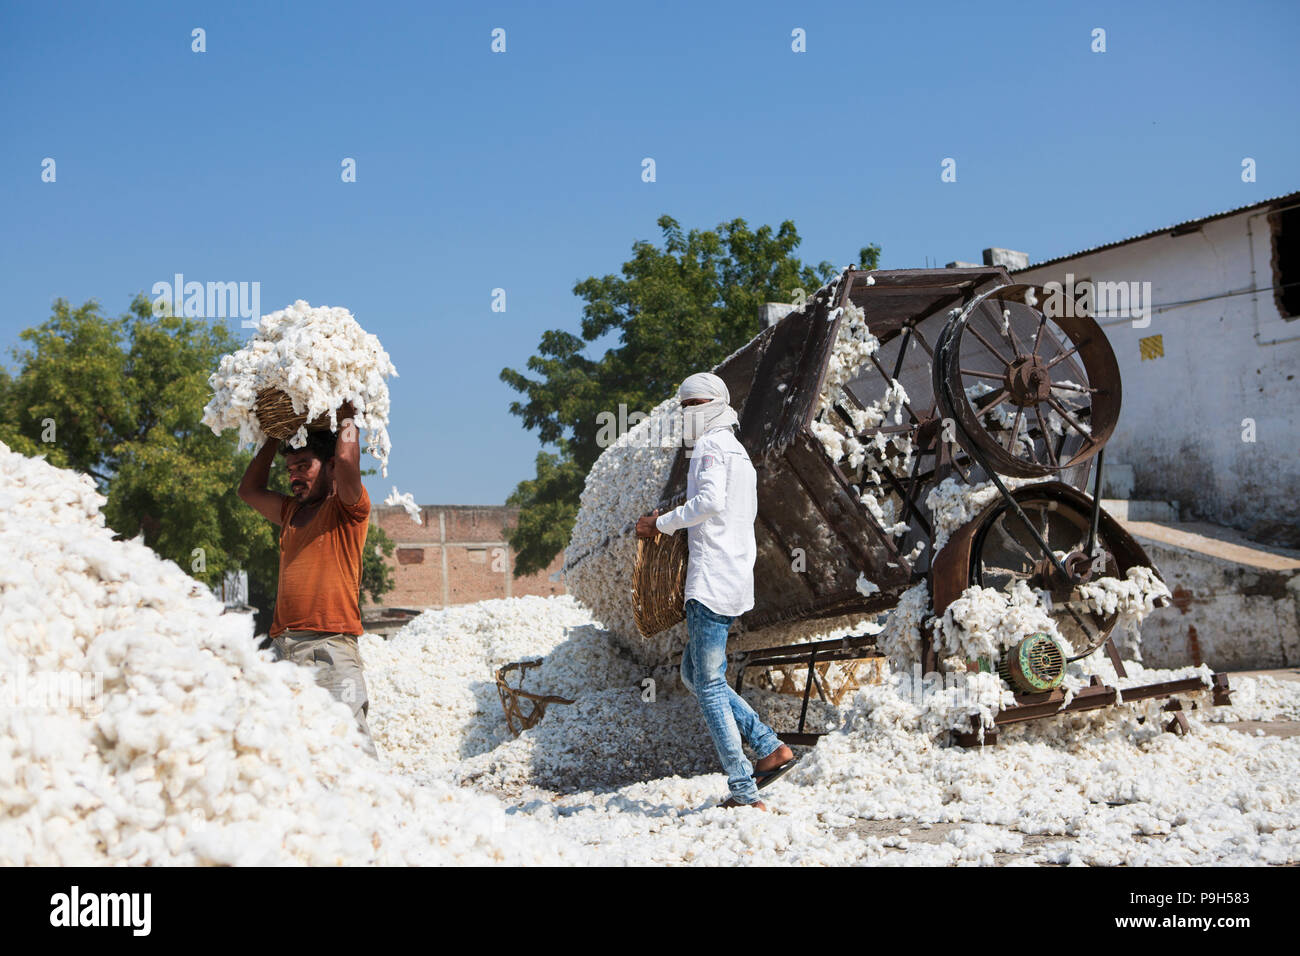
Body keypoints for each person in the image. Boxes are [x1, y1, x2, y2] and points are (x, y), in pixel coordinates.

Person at [636, 372, 794, 809]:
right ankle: (769, 746)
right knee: (695, 674)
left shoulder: (709, 446)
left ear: (718, 403)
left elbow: (709, 503)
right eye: (684, 406)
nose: (689, 413)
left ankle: (744, 790)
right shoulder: (740, 453)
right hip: (735, 576)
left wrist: (659, 524)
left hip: (709, 580)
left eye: (696, 404)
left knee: (707, 684)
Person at [237, 402, 376, 754]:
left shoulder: (347, 509)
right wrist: (273, 436)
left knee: (349, 748)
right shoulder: (290, 513)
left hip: (329, 649)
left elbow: (347, 461)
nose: (294, 476)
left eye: (304, 466)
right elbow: (248, 491)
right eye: (289, 470)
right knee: (292, 752)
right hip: (284, 649)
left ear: (329, 467)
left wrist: (347, 417)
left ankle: (370, 810)